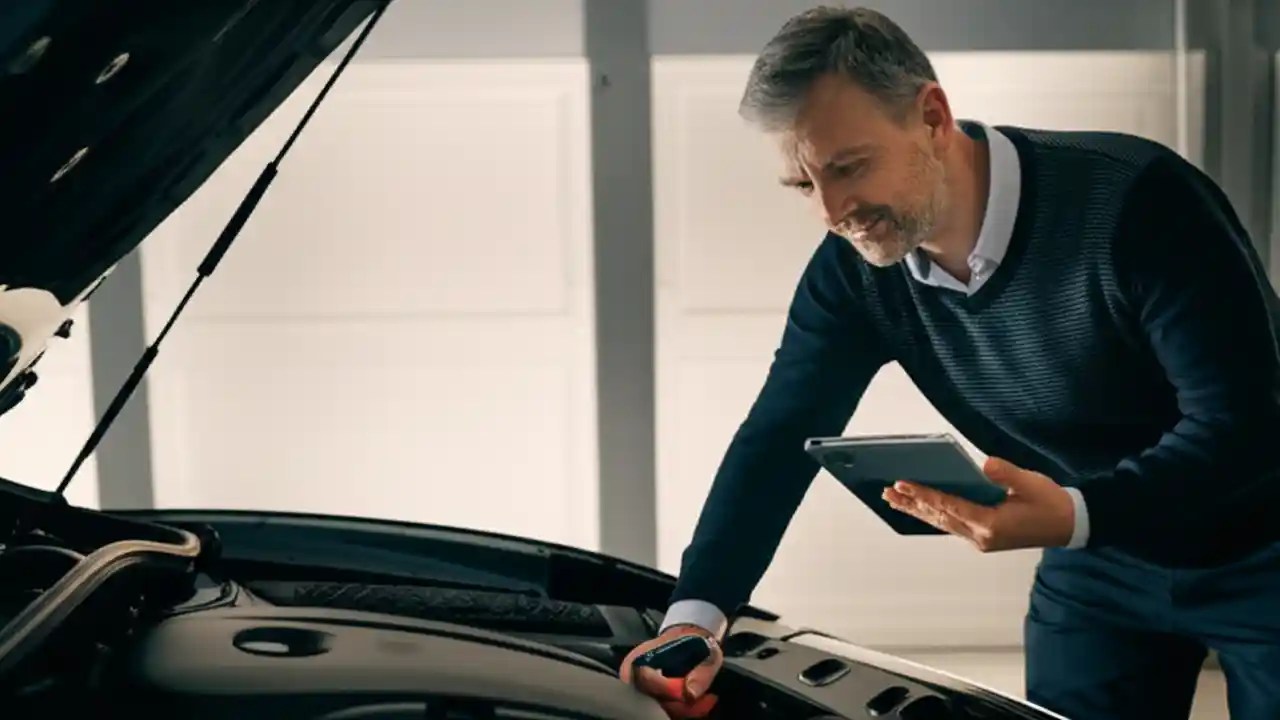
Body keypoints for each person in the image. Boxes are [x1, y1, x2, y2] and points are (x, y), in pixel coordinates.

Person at [617, 6, 1280, 720]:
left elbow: (1244, 426)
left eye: (849, 166)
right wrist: (696, 616)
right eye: (803, 186)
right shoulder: (854, 273)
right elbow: (777, 437)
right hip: (1099, 562)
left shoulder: (1139, 201)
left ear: (932, 115)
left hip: (1263, 545)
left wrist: (1076, 513)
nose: (833, 210)